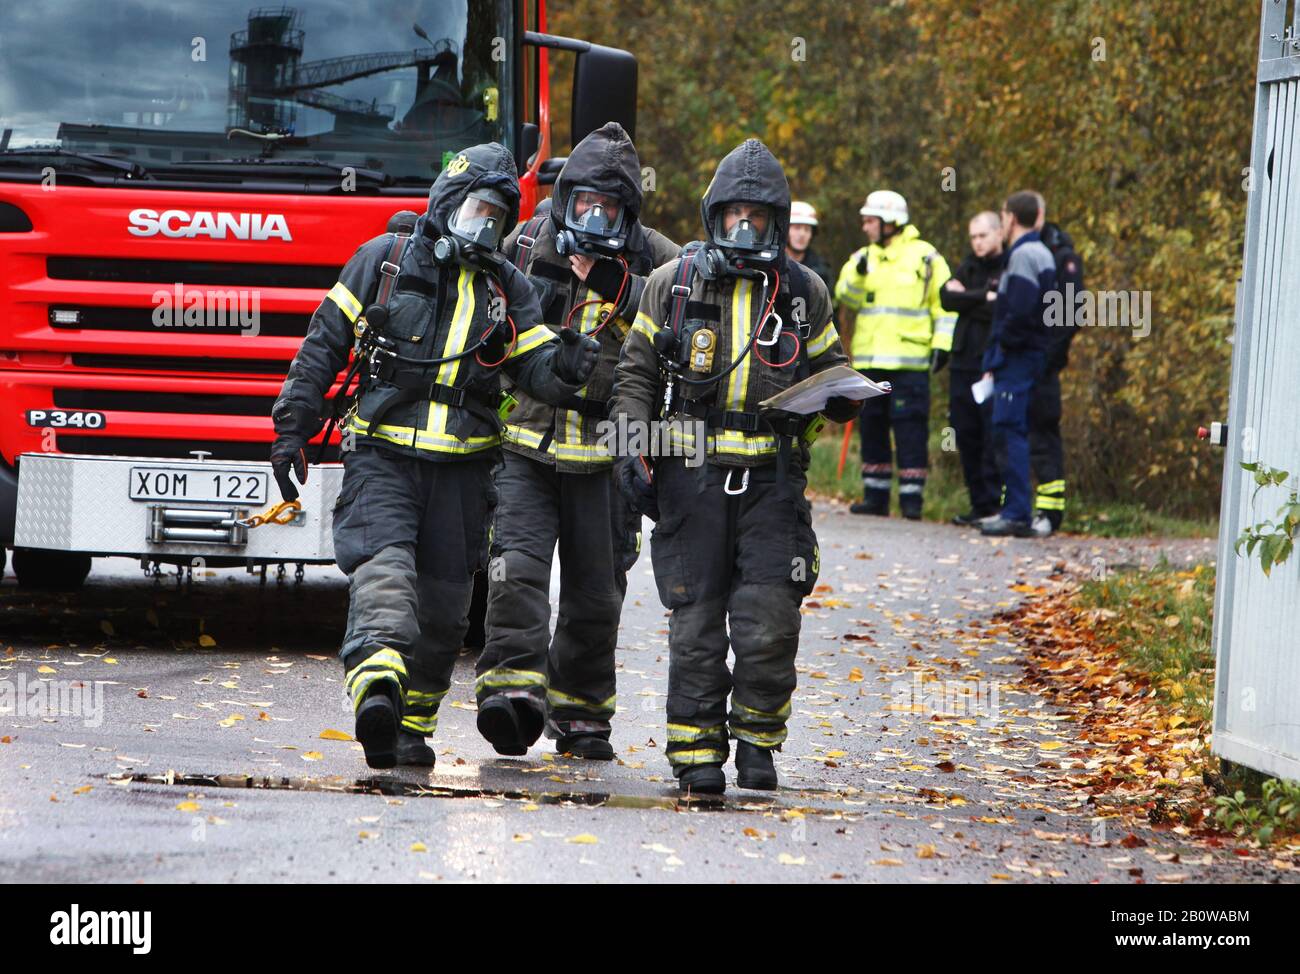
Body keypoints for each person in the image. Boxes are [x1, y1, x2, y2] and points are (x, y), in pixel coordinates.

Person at [269, 143, 599, 769]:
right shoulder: (383, 261)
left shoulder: (509, 286)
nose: (485, 228)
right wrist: (292, 427)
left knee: (447, 611)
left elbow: (534, 369)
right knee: (386, 574)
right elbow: (323, 345)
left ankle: (411, 725)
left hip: (466, 473)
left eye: (497, 220)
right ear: (446, 203)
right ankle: (376, 695)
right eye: (475, 211)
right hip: (383, 458)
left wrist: (567, 367)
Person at [610, 138, 862, 795]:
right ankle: (696, 755)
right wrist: (630, 449)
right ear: (713, 217)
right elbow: (634, 374)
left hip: (774, 485)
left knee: (769, 618)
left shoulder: (805, 291)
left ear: (777, 222)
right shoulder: (673, 284)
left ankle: (757, 741)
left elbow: (833, 370)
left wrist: (840, 395)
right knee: (695, 622)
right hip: (689, 482)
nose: (745, 228)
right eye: (733, 216)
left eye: (757, 216)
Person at [475, 122, 678, 760]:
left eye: (609, 207)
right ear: (565, 198)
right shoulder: (528, 240)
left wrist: (623, 289)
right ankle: (511, 696)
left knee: (597, 590)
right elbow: (482, 312)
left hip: (607, 455)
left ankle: (582, 713)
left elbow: (693, 330)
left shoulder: (657, 259)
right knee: (518, 571)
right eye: (584, 201)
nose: (594, 215)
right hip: (525, 444)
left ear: (629, 212)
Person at [835, 191, 954, 519]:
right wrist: (858, 271)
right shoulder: (863, 257)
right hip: (870, 363)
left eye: (870, 220)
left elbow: (944, 306)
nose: (865, 226)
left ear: (891, 222)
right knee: (871, 427)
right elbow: (845, 295)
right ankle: (875, 498)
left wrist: (942, 345)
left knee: (910, 430)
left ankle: (912, 502)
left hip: (909, 363)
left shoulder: (926, 258)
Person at [980, 191, 1058, 538]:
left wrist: (1002, 349)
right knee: (1011, 431)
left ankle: (1016, 513)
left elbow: (1021, 311)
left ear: (1010, 217)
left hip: (1018, 358)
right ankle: (1014, 510)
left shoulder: (1026, 254)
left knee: (1009, 432)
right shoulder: (1037, 252)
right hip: (1025, 356)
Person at [940, 211, 1004, 526]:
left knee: (991, 435)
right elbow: (946, 298)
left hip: (990, 366)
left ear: (999, 233)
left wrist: (968, 298)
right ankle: (978, 505)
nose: (977, 243)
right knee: (965, 434)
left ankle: (994, 506)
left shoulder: (1008, 266)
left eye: (983, 236)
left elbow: (1000, 307)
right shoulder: (969, 264)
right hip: (962, 363)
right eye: (973, 237)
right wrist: (981, 297)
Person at [1028, 193, 1084, 537]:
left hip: (1042, 365)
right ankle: (1015, 509)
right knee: (1013, 436)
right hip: (1017, 363)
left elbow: (1069, 313)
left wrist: (1048, 358)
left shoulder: (1061, 255)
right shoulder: (1015, 251)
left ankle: (1050, 514)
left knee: (1043, 434)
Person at [786, 200, 834, 296]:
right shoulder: (772, 264)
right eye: (797, 227)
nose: (802, 234)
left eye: (807, 229)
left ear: (812, 235)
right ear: (785, 230)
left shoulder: (822, 270)